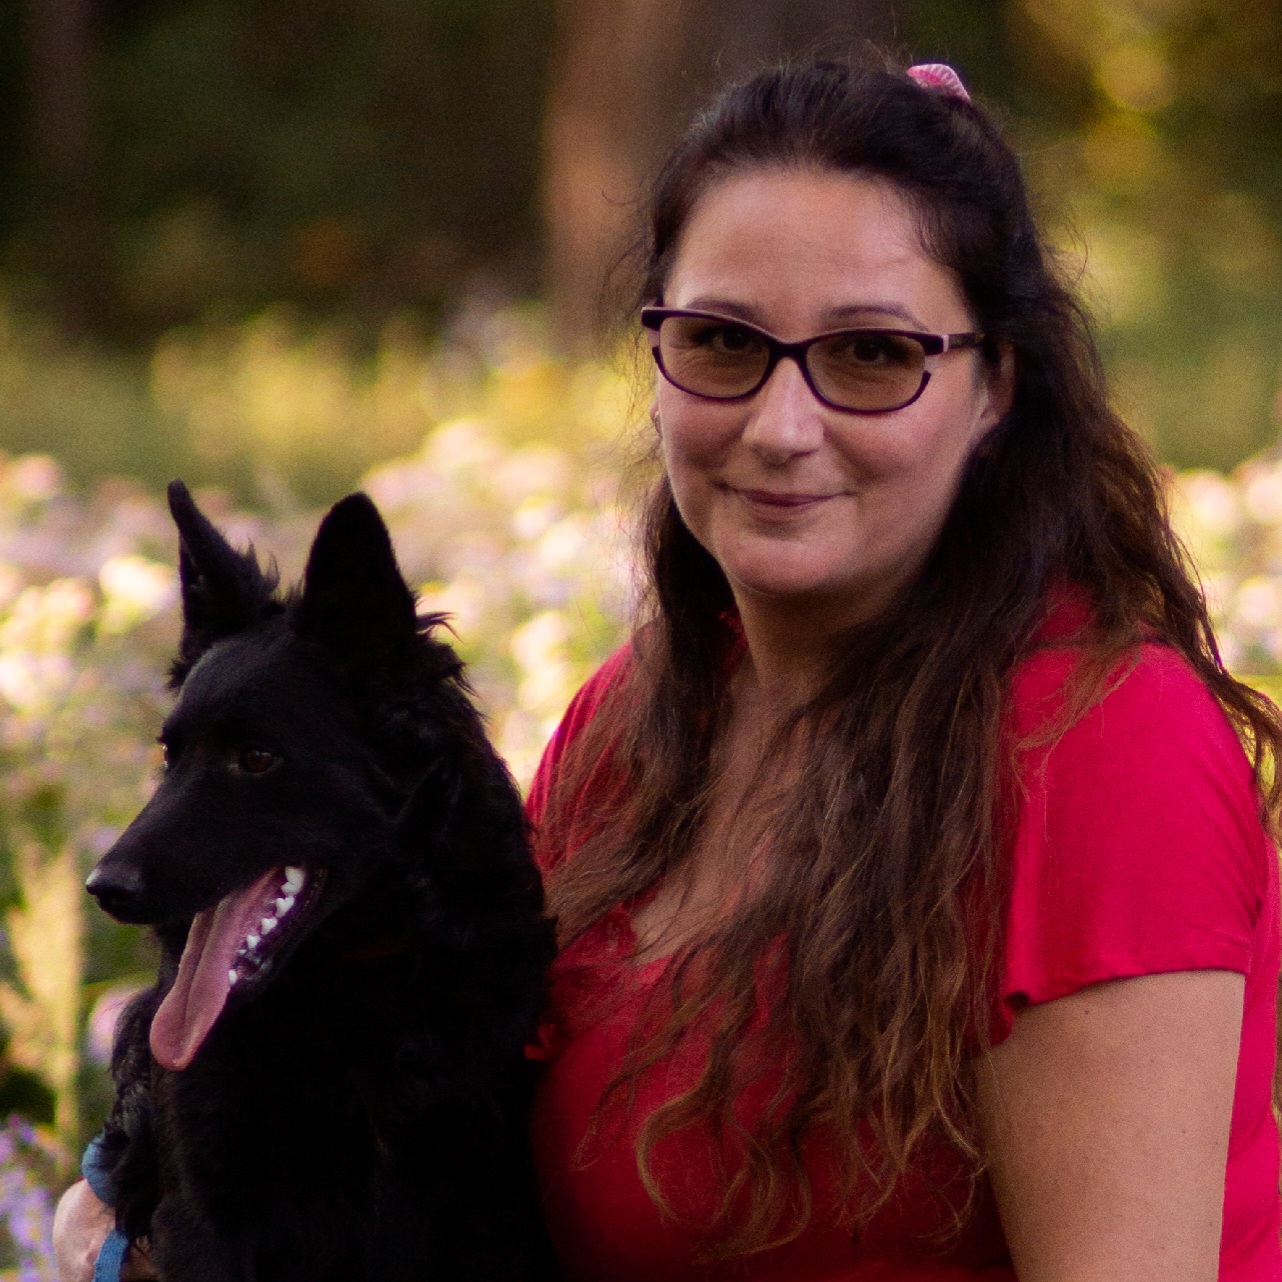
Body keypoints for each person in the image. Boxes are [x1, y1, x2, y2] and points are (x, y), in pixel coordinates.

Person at [56, 57, 1282, 1282]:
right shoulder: (636, 726)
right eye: (719, 342)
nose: (780, 425)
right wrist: (153, 1182)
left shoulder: (1101, 752)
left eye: (869, 354)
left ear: (994, 385)